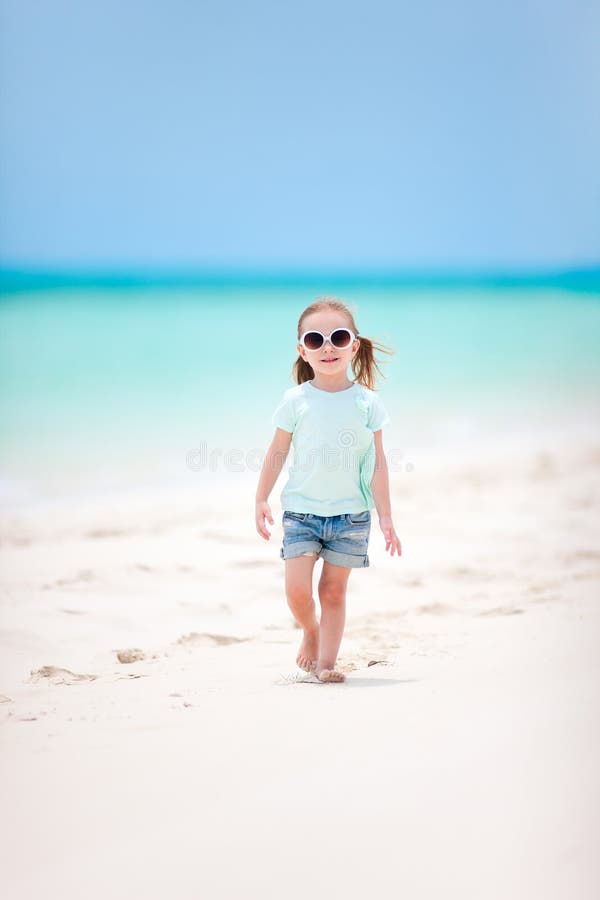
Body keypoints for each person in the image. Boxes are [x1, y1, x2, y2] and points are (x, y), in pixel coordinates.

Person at [255, 297, 402, 683]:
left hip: (351, 516)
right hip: (301, 513)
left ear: (354, 345)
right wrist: (260, 497)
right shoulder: (295, 400)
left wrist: (386, 516)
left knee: (334, 593)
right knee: (298, 594)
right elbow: (277, 451)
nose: (328, 347)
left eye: (338, 337)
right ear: (302, 350)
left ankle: (326, 665)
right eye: (315, 340)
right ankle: (311, 630)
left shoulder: (368, 403)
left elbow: (378, 464)